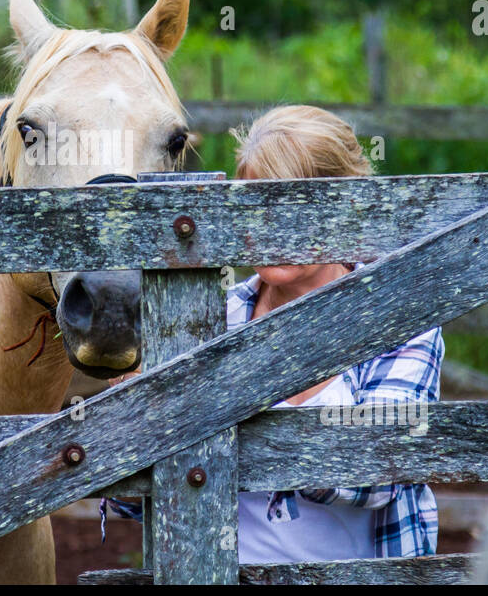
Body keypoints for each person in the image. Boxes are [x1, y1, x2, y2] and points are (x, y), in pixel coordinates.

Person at [102, 105, 443, 563]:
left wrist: (200, 406)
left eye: (297, 206)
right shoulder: (206, 319)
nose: (272, 226)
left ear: (347, 208)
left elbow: (376, 479)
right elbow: (131, 500)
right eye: (256, 202)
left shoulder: (401, 320)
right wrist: (131, 417)